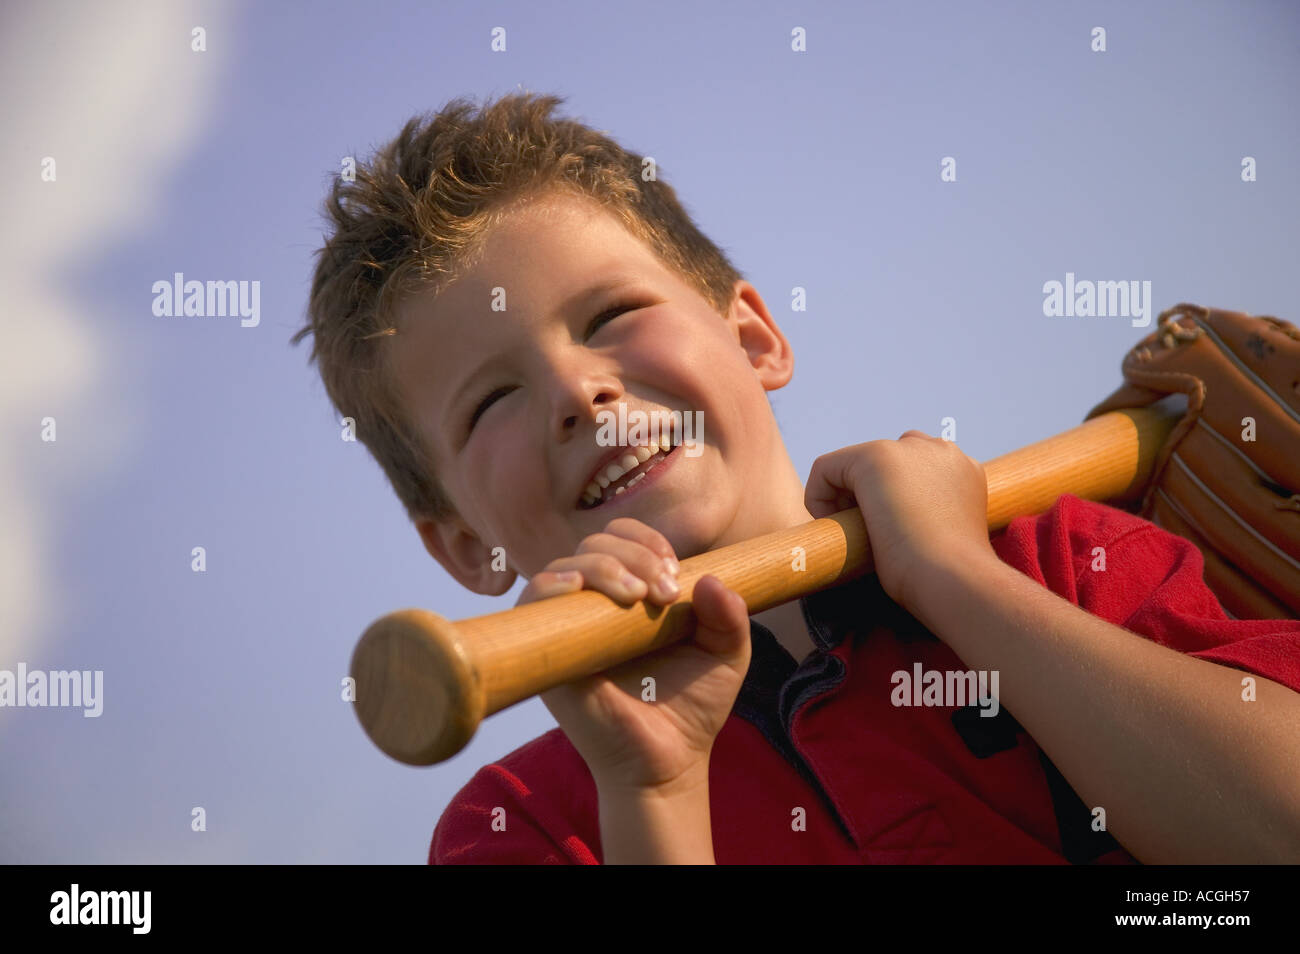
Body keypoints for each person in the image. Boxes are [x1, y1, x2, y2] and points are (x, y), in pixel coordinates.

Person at [292, 92, 1300, 864]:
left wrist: (961, 582)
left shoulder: (1054, 559)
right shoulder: (521, 825)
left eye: (607, 318)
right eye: (488, 402)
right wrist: (656, 793)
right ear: (466, 546)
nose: (577, 391)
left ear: (754, 336)